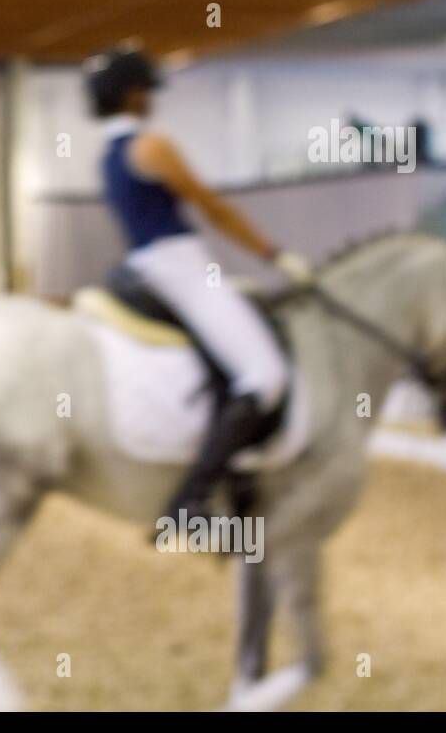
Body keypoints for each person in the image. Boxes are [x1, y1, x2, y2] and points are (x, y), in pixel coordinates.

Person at [83, 46, 313, 523]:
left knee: (233, 357)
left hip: (147, 264)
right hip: (179, 264)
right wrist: (274, 254)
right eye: (147, 91)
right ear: (132, 95)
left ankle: (239, 470)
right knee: (265, 377)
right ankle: (191, 500)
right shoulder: (152, 146)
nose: (152, 100)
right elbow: (213, 207)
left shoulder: (107, 156)